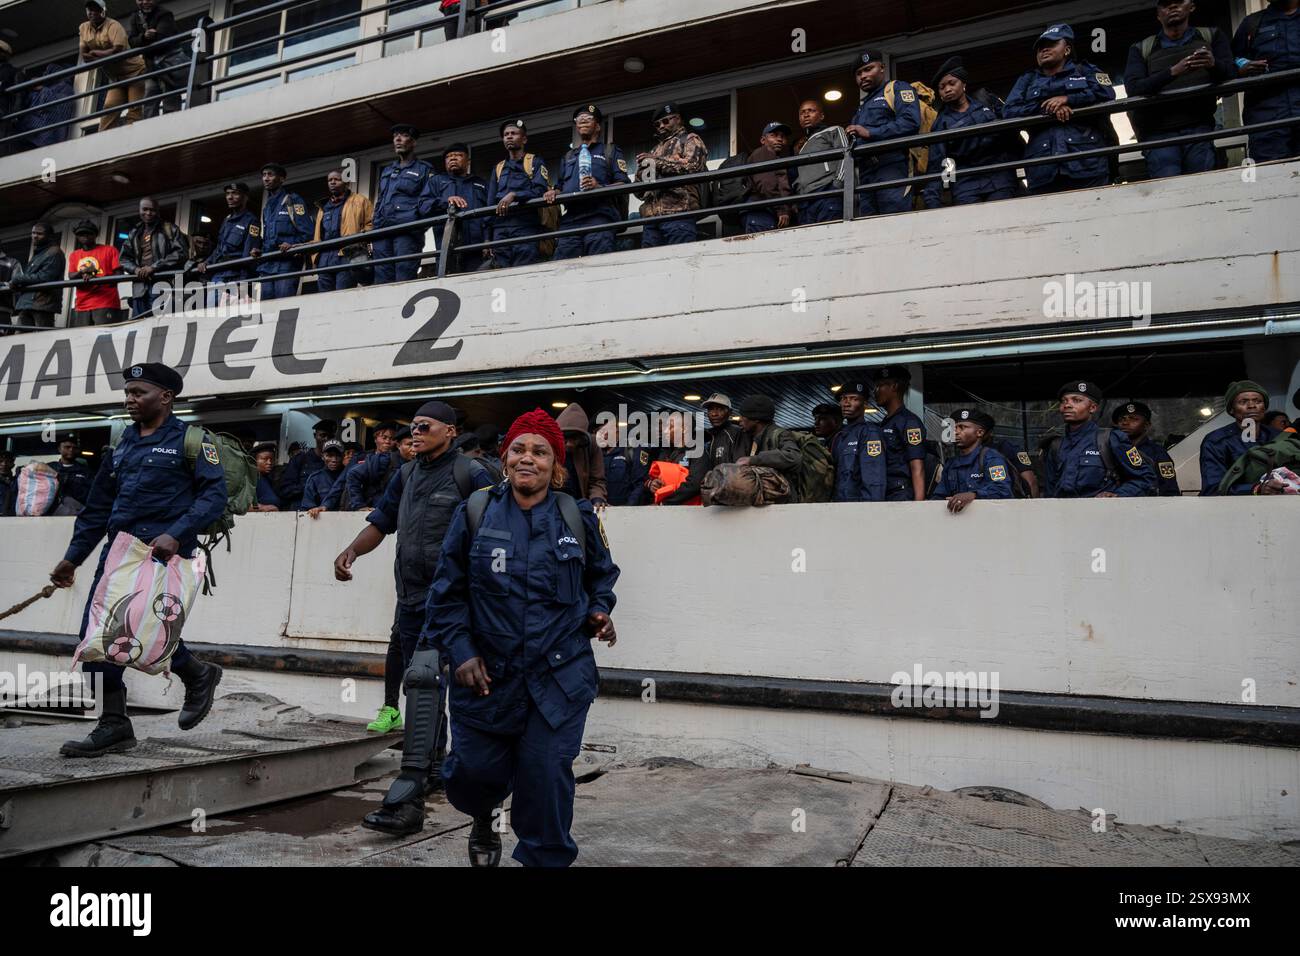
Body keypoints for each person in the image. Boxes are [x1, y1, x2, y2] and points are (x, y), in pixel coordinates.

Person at [424, 408, 619, 866]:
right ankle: (483, 814)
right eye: (519, 449)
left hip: (559, 677)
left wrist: (599, 612)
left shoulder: (577, 516)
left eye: (540, 451)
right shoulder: (474, 511)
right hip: (487, 676)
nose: (528, 458)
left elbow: (601, 578)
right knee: (474, 775)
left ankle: (543, 856)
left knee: (546, 773)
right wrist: (462, 651)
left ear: (556, 466)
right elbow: (445, 594)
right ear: (505, 457)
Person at [49, 362, 226, 757]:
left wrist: (176, 533)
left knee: (131, 631)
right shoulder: (121, 447)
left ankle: (195, 674)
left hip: (163, 556)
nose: (130, 399)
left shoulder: (193, 440)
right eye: (127, 392)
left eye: (139, 392)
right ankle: (116, 722)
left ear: (165, 397)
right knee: (95, 639)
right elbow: (96, 510)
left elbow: (214, 497)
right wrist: (72, 559)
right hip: (119, 555)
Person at [333, 402, 491, 835]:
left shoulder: (471, 475)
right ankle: (435, 767)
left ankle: (413, 789)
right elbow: (382, 522)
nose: (415, 433)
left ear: (451, 432)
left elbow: (493, 533)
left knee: (427, 679)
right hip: (410, 599)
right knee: (421, 683)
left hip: (453, 604)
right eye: (412, 427)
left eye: (425, 426)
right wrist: (352, 550)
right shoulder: (405, 474)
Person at [1124, 0, 1235, 179]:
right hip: (1158, 134)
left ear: (1192, 6)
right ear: (1158, 14)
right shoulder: (1141, 48)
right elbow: (1134, 88)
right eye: (1166, 4)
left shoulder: (1211, 36)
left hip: (1199, 127)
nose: (1172, 7)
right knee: (1168, 192)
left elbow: (1231, 79)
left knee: (1201, 189)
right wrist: (1173, 72)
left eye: (1178, 2)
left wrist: (1213, 65)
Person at [1004, 24, 1117, 194]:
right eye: (1040, 48)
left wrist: (1069, 100)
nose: (1044, 50)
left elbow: (1107, 92)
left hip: (1087, 162)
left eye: (1051, 44)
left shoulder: (1086, 69)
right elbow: (1008, 111)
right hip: (1043, 167)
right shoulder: (1027, 79)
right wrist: (1046, 107)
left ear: (1067, 49)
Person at [923, 56, 1020, 208]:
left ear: (963, 84)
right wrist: (932, 202)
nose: (947, 89)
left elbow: (1013, 131)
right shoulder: (941, 123)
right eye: (942, 87)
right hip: (965, 183)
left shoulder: (987, 100)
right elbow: (937, 163)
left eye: (951, 83)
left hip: (1000, 175)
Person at [544, 106, 632, 260]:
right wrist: (553, 192)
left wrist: (599, 187)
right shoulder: (568, 156)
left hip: (599, 217)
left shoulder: (609, 151)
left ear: (597, 126)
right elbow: (560, 187)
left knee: (599, 265)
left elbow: (623, 183)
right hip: (571, 219)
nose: (583, 121)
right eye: (579, 119)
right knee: (561, 266)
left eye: (588, 118)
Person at [1041, 381, 1155, 497]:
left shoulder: (1110, 439)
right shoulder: (1056, 445)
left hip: (1102, 512)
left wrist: (1117, 495)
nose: (1067, 405)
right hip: (1064, 512)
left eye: (1077, 400)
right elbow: (1050, 490)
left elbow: (1145, 478)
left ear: (1093, 408)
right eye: (1064, 401)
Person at [845, 51, 922, 217]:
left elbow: (910, 123)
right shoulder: (861, 107)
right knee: (870, 229)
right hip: (866, 173)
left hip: (892, 168)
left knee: (895, 223)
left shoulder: (897, 88)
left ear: (882, 68)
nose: (863, 76)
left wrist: (870, 132)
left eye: (868, 69)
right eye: (859, 74)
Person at [1233, 0, 1300, 163]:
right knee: (1272, 180)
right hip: (1267, 120)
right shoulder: (1252, 24)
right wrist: (1243, 66)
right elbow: (1231, 61)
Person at [635, 104, 709, 246]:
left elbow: (692, 167)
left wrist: (657, 162)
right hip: (651, 220)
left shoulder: (689, 139)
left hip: (679, 214)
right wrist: (640, 173)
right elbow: (641, 192)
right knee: (649, 266)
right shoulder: (654, 150)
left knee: (679, 263)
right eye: (657, 124)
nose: (661, 126)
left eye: (666, 121)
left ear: (678, 119)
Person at [372, 125, 436, 284]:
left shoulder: (424, 169)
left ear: (413, 142)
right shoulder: (387, 170)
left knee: (404, 279)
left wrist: (416, 225)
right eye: (395, 136)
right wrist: (375, 227)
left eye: (403, 136)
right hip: (382, 233)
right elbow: (380, 201)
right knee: (382, 281)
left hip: (407, 234)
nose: (398, 139)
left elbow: (428, 203)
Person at [486, 120, 551, 267]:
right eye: (506, 134)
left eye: (513, 133)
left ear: (524, 139)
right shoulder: (498, 167)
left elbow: (540, 190)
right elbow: (490, 205)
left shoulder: (534, 161)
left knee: (524, 270)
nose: (509, 137)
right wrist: (487, 238)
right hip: (500, 230)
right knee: (501, 274)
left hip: (525, 227)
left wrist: (515, 195)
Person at [1200, 380, 1279, 495]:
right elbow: (1212, 488)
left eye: (1258, 401)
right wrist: (1256, 489)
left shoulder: (1279, 436)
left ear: (1264, 407)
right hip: (1235, 509)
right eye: (1243, 402)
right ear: (1231, 409)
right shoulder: (1217, 441)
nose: (1252, 405)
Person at [80, 0, 147, 131]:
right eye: (89, 9)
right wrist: (101, 54)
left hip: (135, 72)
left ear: (103, 11)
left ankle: (132, 141)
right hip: (116, 78)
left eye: (95, 9)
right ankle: (103, 143)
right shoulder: (83, 28)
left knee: (134, 109)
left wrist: (96, 53)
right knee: (109, 109)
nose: (91, 12)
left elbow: (117, 50)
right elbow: (84, 55)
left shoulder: (113, 25)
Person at [423, 143, 489, 274]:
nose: (453, 158)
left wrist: (488, 240)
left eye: (458, 155)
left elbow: (490, 215)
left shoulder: (481, 183)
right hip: (447, 249)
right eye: (449, 157)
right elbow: (423, 206)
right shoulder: (436, 181)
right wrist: (445, 201)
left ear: (468, 161)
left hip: (477, 249)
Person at [930, 409, 1013, 512]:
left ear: (980, 432)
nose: (956, 432)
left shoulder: (991, 458)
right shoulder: (951, 463)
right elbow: (939, 495)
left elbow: (1002, 490)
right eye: (954, 428)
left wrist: (973, 495)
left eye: (962, 427)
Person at [119, 197, 188, 318]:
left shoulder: (169, 229)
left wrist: (154, 267)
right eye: (145, 209)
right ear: (139, 210)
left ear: (158, 211)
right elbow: (123, 259)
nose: (148, 213)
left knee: (160, 326)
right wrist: (136, 270)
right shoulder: (134, 232)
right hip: (139, 288)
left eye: (152, 210)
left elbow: (181, 253)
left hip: (162, 285)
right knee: (138, 326)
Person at [252, 163, 312, 300]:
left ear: (282, 179)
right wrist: (260, 250)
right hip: (267, 265)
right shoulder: (267, 206)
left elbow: (307, 234)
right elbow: (269, 237)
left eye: (270, 175)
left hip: (287, 263)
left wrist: (291, 245)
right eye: (264, 175)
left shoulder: (293, 200)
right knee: (266, 310)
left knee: (283, 306)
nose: (266, 178)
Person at [311, 168, 374, 292]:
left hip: (346, 255)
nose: (332, 182)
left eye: (337, 179)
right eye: (330, 180)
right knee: (324, 298)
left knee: (343, 294)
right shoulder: (323, 206)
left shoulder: (360, 200)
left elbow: (371, 223)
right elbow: (319, 235)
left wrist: (362, 237)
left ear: (347, 183)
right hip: (324, 259)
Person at [196, 182, 258, 306]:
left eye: (235, 193)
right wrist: (207, 262)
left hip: (235, 277)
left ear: (245, 197)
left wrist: (243, 283)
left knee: (228, 317)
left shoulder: (251, 220)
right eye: (228, 194)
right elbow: (219, 248)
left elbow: (248, 255)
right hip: (219, 275)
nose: (230, 197)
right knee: (210, 312)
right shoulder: (227, 220)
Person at [126, 0, 190, 118]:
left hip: (167, 64)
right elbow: (132, 42)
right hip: (152, 68)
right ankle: (150, 130)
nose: (145, 2)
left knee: (170, 99)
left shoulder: (164, 14)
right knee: (149, 100)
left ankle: (171, 127)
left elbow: (163, 39)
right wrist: (145, 37)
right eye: (141, 0)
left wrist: (149, 39)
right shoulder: (135, 17)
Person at [791, 99, 849, 224]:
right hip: (806, 201)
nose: (806, 115)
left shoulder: (834, 130)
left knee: (830, 236)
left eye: (811, 111)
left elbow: (847, 155)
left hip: (827, 192)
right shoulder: (800, 146)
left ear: (821, 116)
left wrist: (837, 184)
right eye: (802, 112)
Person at [735, 394, 802, 501]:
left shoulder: (779, 434)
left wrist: (754, 460)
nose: (740, 421)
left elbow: (794, 457)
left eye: (743, 416)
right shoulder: (752, 438)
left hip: (785, 505)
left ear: (756, 419)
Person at [874, 366, 927, 501]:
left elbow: (917, 466)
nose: (876, 391)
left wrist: (918, 504)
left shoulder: (909, 422)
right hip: (884, 490)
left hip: (900, 493)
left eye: (880, 386)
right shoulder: (884, 423)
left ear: (894, 386)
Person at [831, 381, 887, 502]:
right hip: (839, 507)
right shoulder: (839, 437)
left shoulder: (869, 433)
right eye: (843, 399)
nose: (846, 403)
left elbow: (874, 481)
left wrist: (870, 512)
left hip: (860, 510)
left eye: (853, 399)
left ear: (865, 404)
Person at [1112, 401, 1180, 496]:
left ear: (1147, 425)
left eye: (1133, 419)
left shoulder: (1157, 453)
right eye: (1122, 419)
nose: (1125, 423)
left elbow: (1169, 490)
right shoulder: (1110, 449)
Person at [9, 222, 65, 330]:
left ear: (49, 236)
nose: (35, 236)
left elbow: (45, 277)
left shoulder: (54, 252)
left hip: (42, 304)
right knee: (20, 340)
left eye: (39, 234)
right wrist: (18, 283)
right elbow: (30, 277)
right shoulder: (39, 252)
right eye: (33, 233)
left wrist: (17, 279)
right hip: (27, 303)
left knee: (43, 339)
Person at [67, 220, 123, 327]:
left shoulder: (109, 250)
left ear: (95, 234)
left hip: (106, 303)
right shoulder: (74, 255)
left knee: (105, 339)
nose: (85, 236)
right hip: (82, 305)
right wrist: (82, 272)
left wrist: (95, 277)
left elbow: (119, 276)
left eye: (88, 233)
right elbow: (71, 276)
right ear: (77, 236)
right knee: (82, 341)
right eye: (81, 233)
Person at [344, 424, 412, 511]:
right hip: (379, 511)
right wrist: (359, 505)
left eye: (416, 444)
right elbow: (352, 475)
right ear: (399, 445)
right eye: (409, 444)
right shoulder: (385, 460)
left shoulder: (419, 464)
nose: (414, 449)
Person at [742, 122, 794, 233]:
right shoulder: (763, 152)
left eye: (782, 136)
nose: (779, 139)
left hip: (767, 212)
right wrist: (782, 210)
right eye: (774, 135)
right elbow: (766, 185)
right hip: (761, 213)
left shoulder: (776, 158)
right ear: (763, 140)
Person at [554, 402, 608, 508]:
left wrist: (597, 498)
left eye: (574, 438)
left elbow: (597, 480)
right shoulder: (547, 445)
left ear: (583, 437)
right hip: (552, 505)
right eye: (566, 438)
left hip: (580, 505)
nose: (569, 444)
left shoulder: (591, 445)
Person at [278, 418, 335, 511]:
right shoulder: (300, 459)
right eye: (323, 435)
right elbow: (285, 490)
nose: (326, 439)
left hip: (328, 512)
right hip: (302, 513)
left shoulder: (336, 462)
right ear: (315, 436)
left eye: (330, 436)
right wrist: (310, 486)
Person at [981, 418, 1039, 498]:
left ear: (990, 432)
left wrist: (1033, 507)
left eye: (981, 431)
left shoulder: (1007, 448)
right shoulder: (962, 452)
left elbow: (1030, 481)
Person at [302, 440, 346, 514]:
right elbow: (308, 507)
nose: (334, 460)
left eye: (338, 456)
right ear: (323, 456)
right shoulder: (315, 479)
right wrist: (314, 510)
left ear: (343, 456)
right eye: (329, 455)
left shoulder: (351, 475)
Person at [52, 434, 93, 510]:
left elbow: (91, 495)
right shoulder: (50, 468)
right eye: (67, 447)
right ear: (59, 449)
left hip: (76, 513)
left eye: (74, 448)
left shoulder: (85, 471)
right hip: (50, 516)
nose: (71, 450)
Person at [252, 442, 281, 511]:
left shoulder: (269, 479)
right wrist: (262, 507)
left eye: (272, 459)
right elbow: (239, 505)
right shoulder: (250, 478)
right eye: (265, 459)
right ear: (254, 461)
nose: (269, 462)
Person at [0, 449, 17, 517]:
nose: (4, 464)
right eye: (0, 461)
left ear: (13, 464)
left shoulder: (17, 481)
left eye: (8, 462)